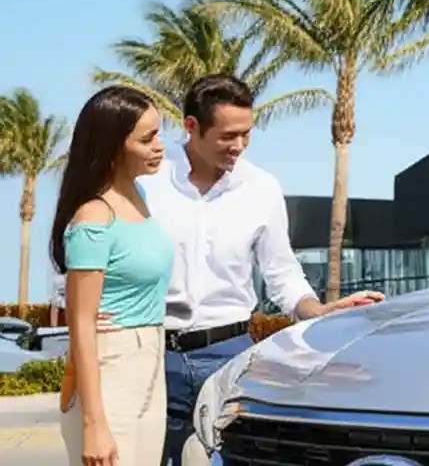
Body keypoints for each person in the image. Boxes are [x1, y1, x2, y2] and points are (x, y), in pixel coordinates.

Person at [138, 74, 384, 466]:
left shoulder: (261, 188)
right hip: (149, 354)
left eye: (246, 134)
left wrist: (315, 311)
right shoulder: (146, 179)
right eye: (227, 136)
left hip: (227, 355)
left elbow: (282, 271)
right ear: (191, 127)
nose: (238, 146)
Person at [53, 85, 172, 466]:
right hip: (111, 369)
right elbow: (82, 324)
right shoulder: (94, 218)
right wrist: (94, 422)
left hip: (149, 359)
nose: (160, 146)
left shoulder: (139, 196)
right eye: (147, 138)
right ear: (112, 146)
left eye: (159, 133)